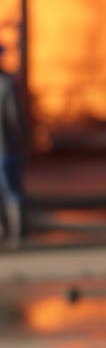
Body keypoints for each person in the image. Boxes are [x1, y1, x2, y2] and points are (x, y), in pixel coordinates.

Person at [0, 44, 28, 247]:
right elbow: (15, 119)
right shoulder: (7, 86)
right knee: (12, 192)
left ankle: (6, 232)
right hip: (6, 149)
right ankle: (17, 236)